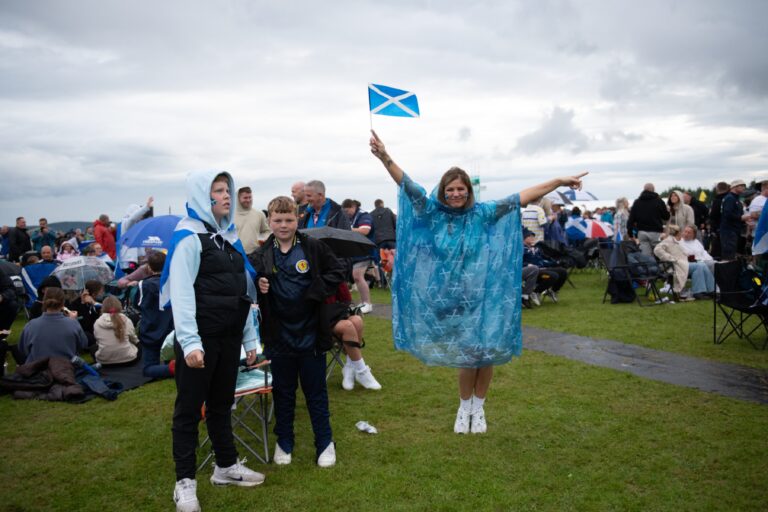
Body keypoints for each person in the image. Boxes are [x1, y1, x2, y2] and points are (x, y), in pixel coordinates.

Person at [369, 130, 587, 434]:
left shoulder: (483, 214)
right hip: (452, 298)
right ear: (443, 191)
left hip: (485, 295)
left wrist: (559, 181)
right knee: (468, 353)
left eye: (460, 189)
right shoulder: (432, 213)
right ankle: (463, 407)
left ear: (469, 190)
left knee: (486, 352)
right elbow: (409, 186)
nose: (455, 194)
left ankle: (478, 409)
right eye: (450, 190)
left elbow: (522, 196)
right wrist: (384, 157)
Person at [160, 170, 264, 512]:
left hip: (228, 338)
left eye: (227, 190)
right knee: (189, 412)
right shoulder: (189, 237)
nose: (225, 196)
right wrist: (190, 343)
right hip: (200, 341)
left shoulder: (228, 238)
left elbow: (242, 293)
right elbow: (182, 294)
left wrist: (249, 337)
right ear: (202, 196)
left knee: (221, 405)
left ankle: (225, 466)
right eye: (218, 191)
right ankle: (185, 483)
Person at [251, 195, 346, 467]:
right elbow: (247, 284)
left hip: (310, 334)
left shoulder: (313, 248)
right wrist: (259, 285)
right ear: (268, 221)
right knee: (283, 392)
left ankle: (325, 442)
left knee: (316, 392)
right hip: (279, 336)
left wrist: (317, 289)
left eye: (289, 219)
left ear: (298, 219)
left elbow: (338, 270)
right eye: (277, 220)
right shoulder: (260, 254)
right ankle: (284, 442)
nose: (283, 225)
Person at [327, 282, 381, 391]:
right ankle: (361, 371)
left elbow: (346, 299)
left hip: (334, 317)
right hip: (318, 325)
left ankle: (350, 367)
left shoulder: (334, 275)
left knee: (357, 320)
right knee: (347, 326)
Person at [18, 287, 89, 364]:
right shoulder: (72, 323)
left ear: (44, 301)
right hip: (67, 371)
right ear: (63, 303)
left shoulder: (30, 325)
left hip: (38, 371)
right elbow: (83, 344)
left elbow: (23, 350)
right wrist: (74, 321)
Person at [135, 251, 174, 379]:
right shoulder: (173, 281)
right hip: (171, 328)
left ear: (149, 267)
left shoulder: (144, 284)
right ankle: (175, 366)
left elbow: (138, 304)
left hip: (151, 330)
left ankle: (175, 368)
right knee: (170, 354)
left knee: (148, 369)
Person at [341, 199, 375, 313]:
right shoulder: (349, 217)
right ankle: (362, 303)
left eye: (347, 211)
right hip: (353, 252)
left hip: (364, 250)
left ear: (353, 206)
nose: (346, 213)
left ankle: (367, 303)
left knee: (357, 276)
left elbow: (365, 230)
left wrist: (347, 230)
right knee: (354, 277)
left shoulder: (363, 215)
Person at [522, 229, 568, 301]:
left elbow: (543, 261)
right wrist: (527, 265)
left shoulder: (536, 249)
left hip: (543, 268)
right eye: (529, 236)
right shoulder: (521, 249)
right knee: (553, 275)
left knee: (563, 271)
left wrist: (556, 262)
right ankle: (536, 292)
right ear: (524, 238)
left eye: (533, 236)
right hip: (533, 272)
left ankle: (553, 291)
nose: (532, 238)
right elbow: (518, 263)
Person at [93, 296, 139, 366]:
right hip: (128, 360)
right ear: (119, 306)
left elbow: (98, 340)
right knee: (139, 346)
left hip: (104, 362)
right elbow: (134, 339)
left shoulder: (97, 322)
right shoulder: (126, 320)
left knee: (93, 348)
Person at [627, 183, 670, 257]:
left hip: (642, 232)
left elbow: (631, 219)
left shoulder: (637, 202)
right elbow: (666, 217)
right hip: (656, 232)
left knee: (646, 257)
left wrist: (630, 234)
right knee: (659, 254)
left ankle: (650, 268)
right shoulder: (659, 201)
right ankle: (659, 268)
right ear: (653, 190)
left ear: (644, 190)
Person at [116, 197, 153, 274]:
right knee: (131, 279)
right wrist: (146, 207)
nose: (141, 216)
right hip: (130, 260)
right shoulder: (126, 223)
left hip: (136, 259)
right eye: (139, 214)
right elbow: (132, 218)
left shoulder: (136, 224)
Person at [234, 186, 271, 255]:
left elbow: (267, 231)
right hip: (236, 255)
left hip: (255, 255)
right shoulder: (230, 216)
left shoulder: (259, 214)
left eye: (250, 197)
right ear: (238, 198)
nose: (248, 200)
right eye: (245, 198)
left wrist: (264, 238)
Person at [720, 179, 746, 260]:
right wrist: (741, 218)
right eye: (741, 186)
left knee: (731, 253)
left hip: (733, 230)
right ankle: (727, 271)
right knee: (729, 254)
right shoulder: (730, 198)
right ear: (734, 187)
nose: (743, 188)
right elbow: (727, 214)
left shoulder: (735, 199)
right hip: (729, 231)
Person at [708, 181, 730, 258]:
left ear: (717, 189)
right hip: (730, 229)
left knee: (717, 253)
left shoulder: (717, 200)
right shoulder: (731, 198)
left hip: (719, 230)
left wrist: (713, 229)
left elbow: (713, 215)